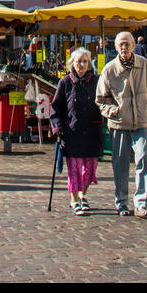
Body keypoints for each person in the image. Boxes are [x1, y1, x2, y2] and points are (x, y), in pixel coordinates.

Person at [95, 32, 147, 217]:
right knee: (120, 164)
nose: (124, 48)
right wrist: (113, 112)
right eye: (121, 45)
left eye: (127, 44)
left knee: (143, 159)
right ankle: (122, 202)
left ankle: (141, 202)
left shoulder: (144, 65)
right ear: (115, 47)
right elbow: (100, 100)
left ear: (133, 45)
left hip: (142, 121)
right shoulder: (109, 69)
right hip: (119, 123)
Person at [50, 48, 103, 215]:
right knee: (74, 169)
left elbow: (104, 100)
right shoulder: (65, 82)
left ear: (89, 64)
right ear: (72, 64)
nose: (81, 65)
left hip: (92, 132)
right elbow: (56, 107)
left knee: (90, 168)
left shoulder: (96, 81)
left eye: (85, 61)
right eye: (78, 61)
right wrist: (57, 127)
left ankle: (83, 195)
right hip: (72, 132)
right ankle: (74, 200)